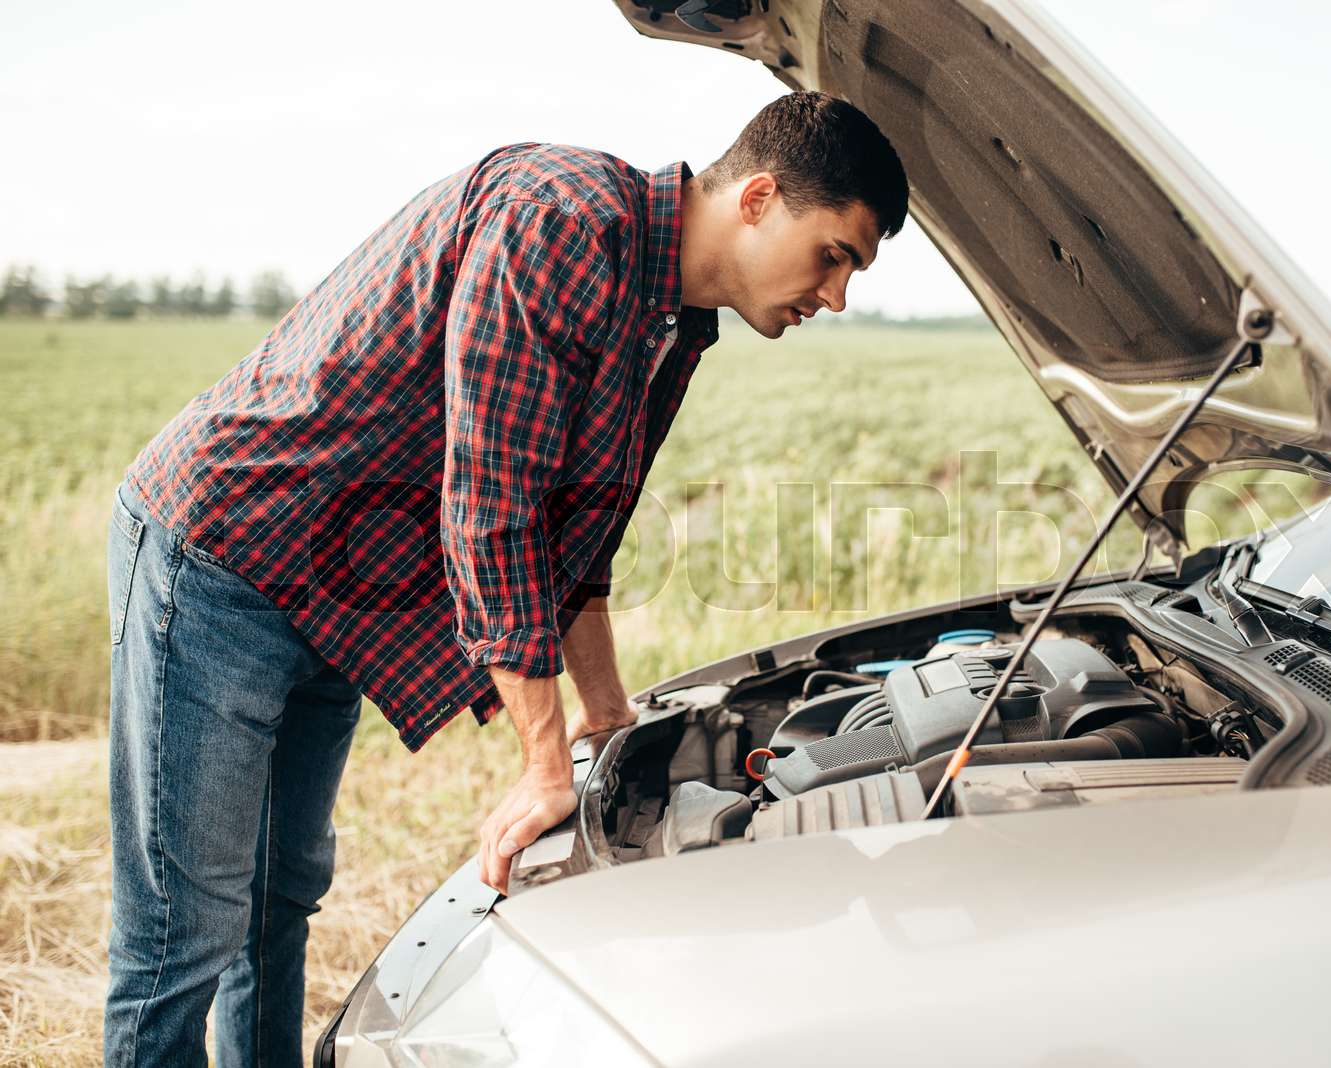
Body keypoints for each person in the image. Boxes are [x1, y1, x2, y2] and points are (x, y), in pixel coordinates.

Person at [102, 90, 907, 1067]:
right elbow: (494, 505)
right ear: (759, 198)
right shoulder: (562, 220)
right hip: (228, 550)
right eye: (834, 255)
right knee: (184, 933)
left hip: (336, 594)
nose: (836, 297)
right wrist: (538, 764)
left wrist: (605, 719)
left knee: (277, 904)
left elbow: (577, 530)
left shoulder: (674, 322)